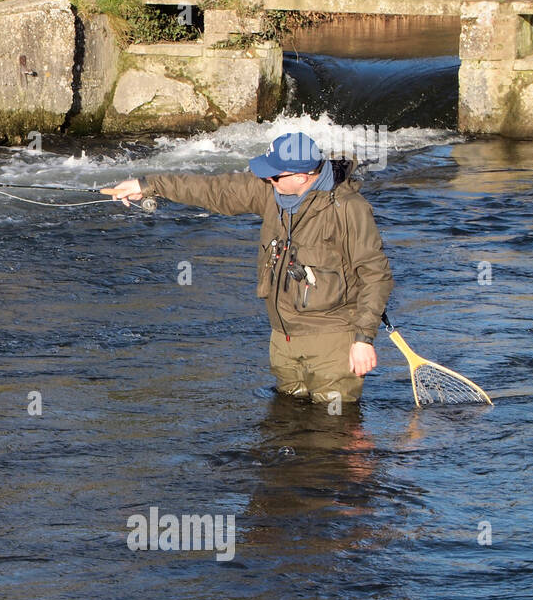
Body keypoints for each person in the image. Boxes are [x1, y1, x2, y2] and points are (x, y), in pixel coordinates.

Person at [104, 132, 393, 407]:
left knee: (332, 435)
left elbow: (375, 276)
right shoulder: (270, 190)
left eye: (275, 174)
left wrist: (363, 340)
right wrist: (147, 185)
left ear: (303, 177)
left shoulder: (348, 209)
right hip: (283, 342)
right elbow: (212, 190)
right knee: (285, 429)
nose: (267, 178)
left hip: (333, 346)